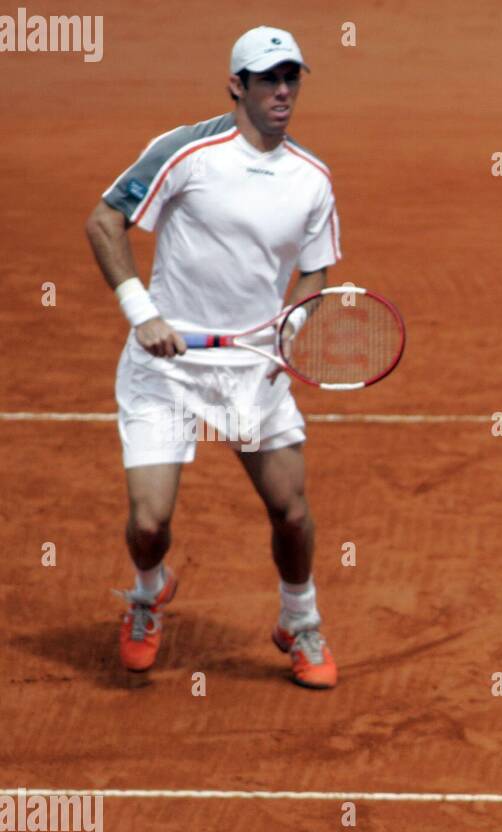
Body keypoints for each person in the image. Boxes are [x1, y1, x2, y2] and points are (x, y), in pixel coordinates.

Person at [85, 26, 340, 688]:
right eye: (268, 80)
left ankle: (300, 620)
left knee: (291, 509)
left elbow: (315, 274)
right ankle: (148, 593)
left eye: (292, 78)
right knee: (149, 521)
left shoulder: (312, 179)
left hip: (250, 370)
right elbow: (104, 220)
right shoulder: (187, 152)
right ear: (238, 86)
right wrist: (145, 316)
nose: (283, 91)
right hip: (166, 367)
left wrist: (289, 332)